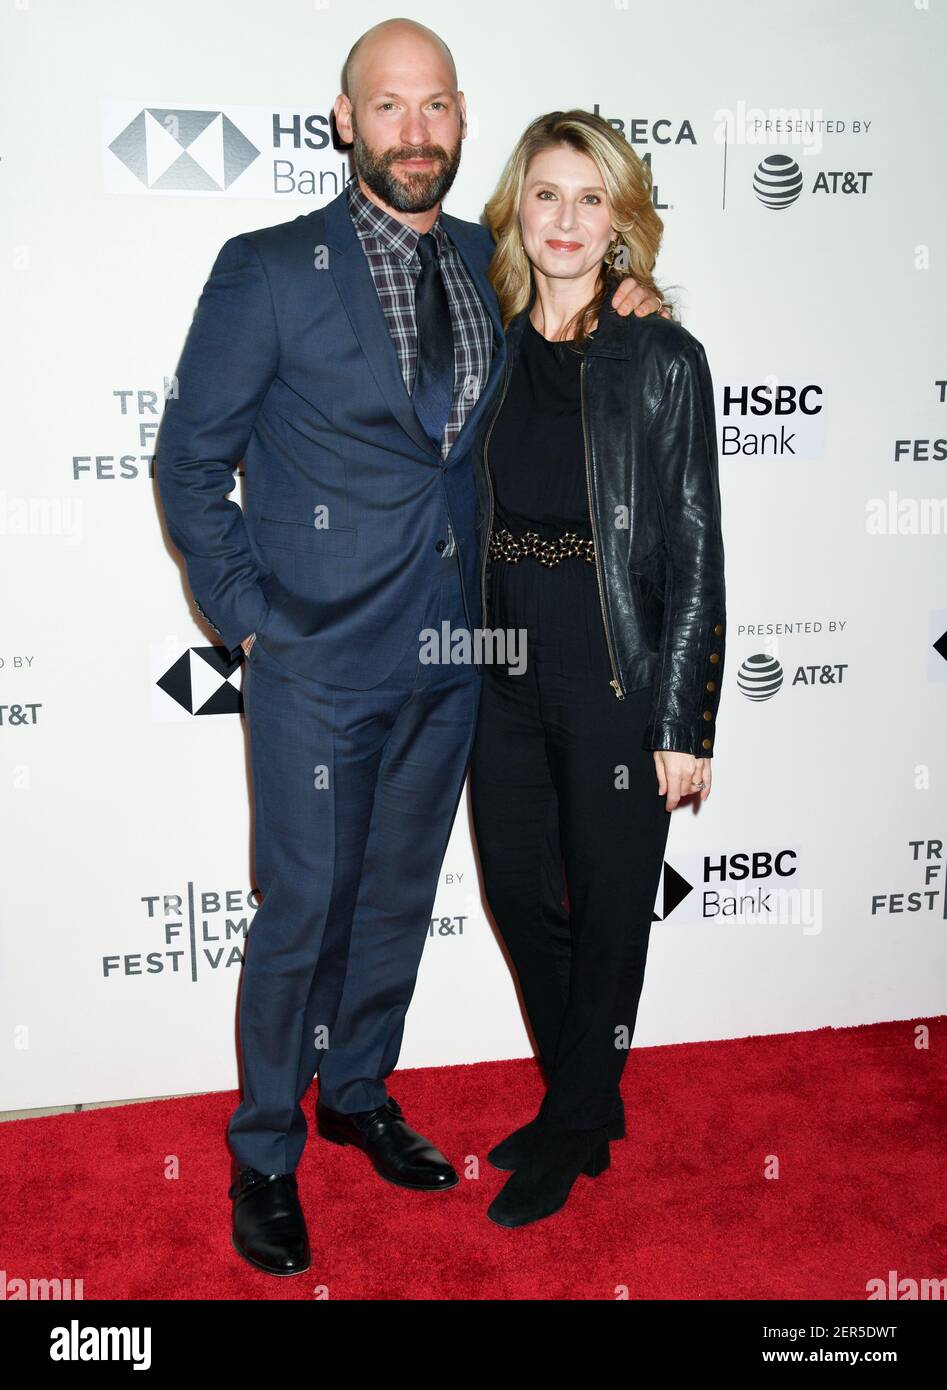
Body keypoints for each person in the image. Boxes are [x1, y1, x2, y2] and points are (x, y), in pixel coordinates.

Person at [156, 20, 662, 1276]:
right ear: (344, 122)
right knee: (300, 911)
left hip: (455, 656)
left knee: (393, 900)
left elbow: (570, 334)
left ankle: (358, 1092)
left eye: (435, 106)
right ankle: (264, 1149)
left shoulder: (492, 269)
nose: (415, 130)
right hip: (316, 663)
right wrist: (252, 614)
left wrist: (633, 298)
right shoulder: (267, 268)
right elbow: (187, 460)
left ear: (459, 118)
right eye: (389, 108)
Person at [468, 109, 726, 1228]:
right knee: (520, 892)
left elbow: (694, 545)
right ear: (515, 208)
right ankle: (589, 1090)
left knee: (613, 904)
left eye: (589, 197)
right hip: (494, 653)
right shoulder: (480, 332)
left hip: (612, 663)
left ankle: (574, 1119)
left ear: (618, 218)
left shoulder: (659, 354)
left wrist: (687, 717)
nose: (565, 219)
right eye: (545, 194)